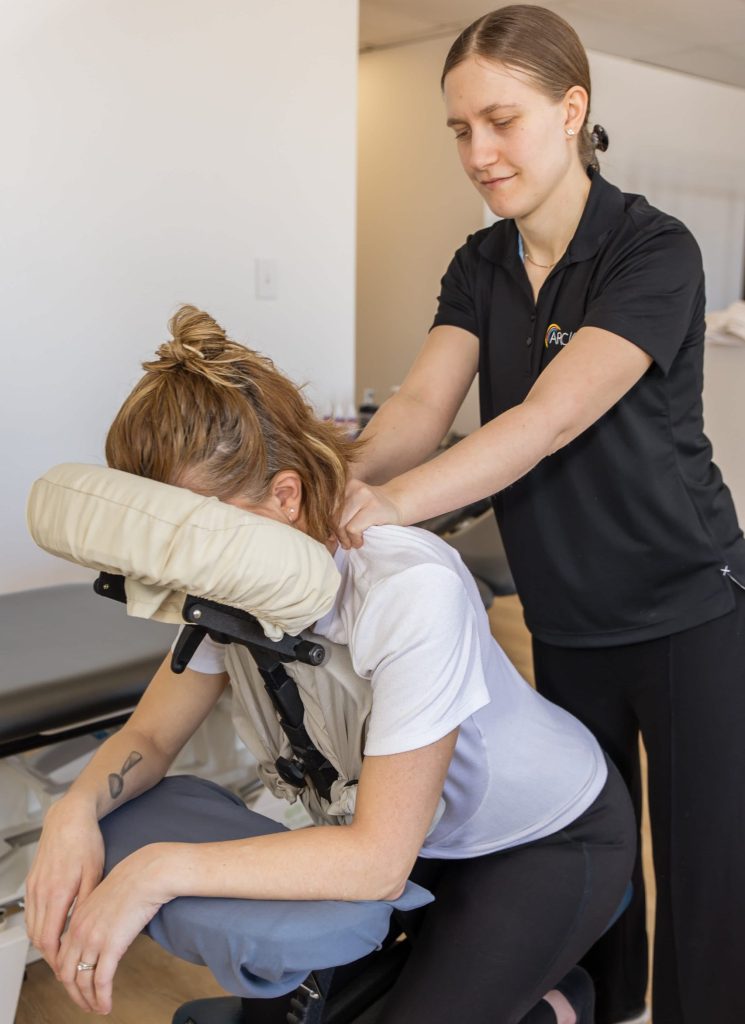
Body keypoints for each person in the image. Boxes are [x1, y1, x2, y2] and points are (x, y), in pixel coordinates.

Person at [25, 305, 635, 1024]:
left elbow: (375, 861)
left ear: (284, 498)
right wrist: (72, 813)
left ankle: (558, 1006)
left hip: (542, 840)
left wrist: (154, 870)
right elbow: (152, 738)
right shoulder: (230, 575)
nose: (179, 563)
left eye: (193, 533)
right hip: (411, 834)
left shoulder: (406, 590)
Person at [338, 6, 745, 1024]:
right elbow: (423, 410)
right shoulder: (479, 267)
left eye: (500, 121)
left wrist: (387, 506)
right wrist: (333, 481)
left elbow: (546, 421)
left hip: (688, 604)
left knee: (706, 878)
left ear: (572, 111)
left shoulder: (653, 249)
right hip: (566, 615)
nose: (478, 152)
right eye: (458, 130)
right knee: (595, 856)